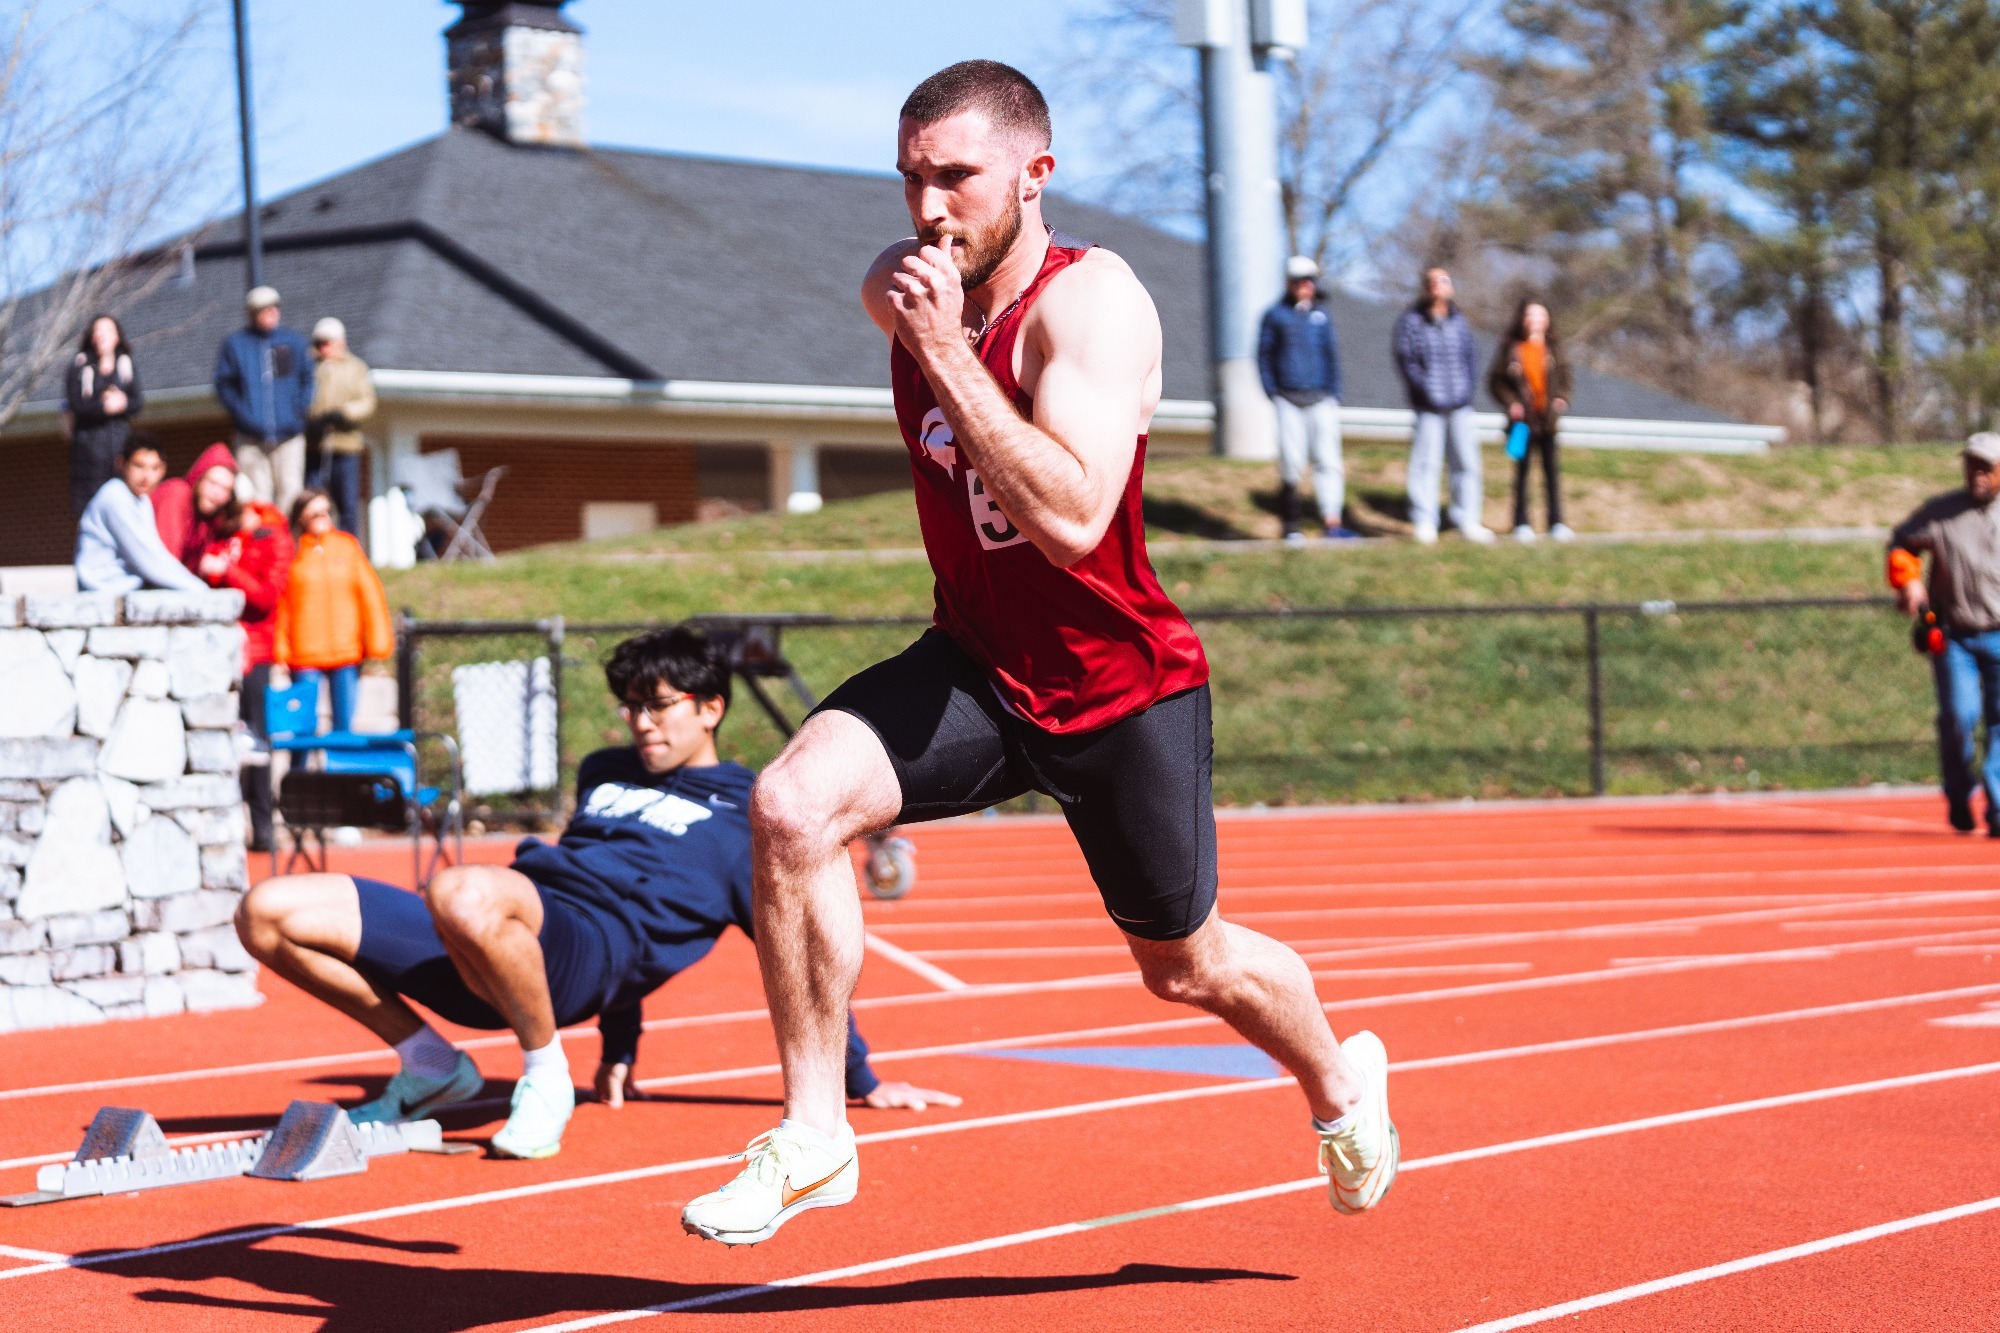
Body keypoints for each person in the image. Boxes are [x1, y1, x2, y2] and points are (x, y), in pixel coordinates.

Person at [680, 61, 1396, 1248]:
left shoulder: (1092, 305)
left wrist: (948, 351)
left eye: (954, 177)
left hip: (1118, 688)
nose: (925, 210)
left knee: (1184, 965)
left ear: (1033, 173)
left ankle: (1339, 1079)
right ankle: (813, 1134)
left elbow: (1069, 521)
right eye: (909, 179)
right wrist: (924, 323)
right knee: (791, 804)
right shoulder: (898, 284)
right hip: (974, 664)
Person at [234, 628, 959, 1160]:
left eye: (658, 705)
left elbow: (795, 954)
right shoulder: (606, 768)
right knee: (267, 911)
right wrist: (621, 1045)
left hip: (577, 952)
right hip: (500, 925)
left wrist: (861, 1077)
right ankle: (433, 1067)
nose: (640, 722)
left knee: (460, 886)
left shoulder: (754, 810)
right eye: (630, 706)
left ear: (709, 708)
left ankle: (544, 1078)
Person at [1887, 432, 2000, 835]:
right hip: (1955, 636)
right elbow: (1901, 544)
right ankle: (1958, 792)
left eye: (1985, 467)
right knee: (1958, 716)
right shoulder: (1941, 513)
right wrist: (1909, 582)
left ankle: (1999, 804)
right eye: (1971, 465)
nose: (1977, 474)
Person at [198, 494, 293, 852]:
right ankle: (226, 827)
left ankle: (263, 828)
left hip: (255, 652)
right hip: (218, 651)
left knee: (257, 742)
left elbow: (267, 596)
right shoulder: (220, 537)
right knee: (225, 741)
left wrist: (227, 572)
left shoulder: (273, 538)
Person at [1258, 256, 1352, 542]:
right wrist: (1273, 391)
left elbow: (1331, 356)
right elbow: (1264, 356)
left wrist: (1334, 392)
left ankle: (1332, 522)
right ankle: (1292, 524)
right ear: (1289, 283)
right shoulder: (1275, 315)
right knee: (1291, 461)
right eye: (1299, 280)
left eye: (1309, 280)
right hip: (1288, 398)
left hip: (1321, 397)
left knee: (1328, 460)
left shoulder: (1322, 316)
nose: (1305, 286)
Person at [1394, 267, 1491, 544]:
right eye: (1431, 281)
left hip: (1460, 404)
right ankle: (1425, 521)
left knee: (1467, 463)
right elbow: (1406, 360)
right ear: (1425, 287)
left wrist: (1465, 390)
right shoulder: (1411, 321)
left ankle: (1467, 519)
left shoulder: (1459, 321)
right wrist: (1424, 392)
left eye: (1443, 280)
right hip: (1428, 407)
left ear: (1451, 287)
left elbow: (1470, 357)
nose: (1437, 285)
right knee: (1426, 464)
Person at [213, 285, 315, 513]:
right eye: (262, 310)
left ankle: (289, 546)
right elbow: (224, 384)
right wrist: (243, 415)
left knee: (291, 494)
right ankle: (261, 546)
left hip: (289, 436)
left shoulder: (293, 342)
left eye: (273, 308)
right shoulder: (236, 344)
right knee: (255, 497)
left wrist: (298, 412)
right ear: (251, 313)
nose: (269, 314)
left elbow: (308, 379)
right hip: (250, 438)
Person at [1487, 299, 1574, 544]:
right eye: (1530, 315)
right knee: (1522, 474)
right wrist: (1511, 402)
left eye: (1540, 315)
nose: (1535, 321)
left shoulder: (1554, 348)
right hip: (1522, 423)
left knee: (1551, 473)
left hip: (1548, 422)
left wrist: (1561, 399)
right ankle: (1521, 523)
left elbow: (1566, 378)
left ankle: (1556, 523)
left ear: (1547, 321)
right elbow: (1495, 381)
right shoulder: (1510, 347)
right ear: (1523, 319)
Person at [74, 436, 209, 593]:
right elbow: (146, 558)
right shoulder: (114, 496)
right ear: (121, 464)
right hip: (101, 591)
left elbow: (155, 551)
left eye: (154, 468)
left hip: (124, 589)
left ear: (163, 469)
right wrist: (200, 590)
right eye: (139, 466)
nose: (146, 476)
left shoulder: (142, 501)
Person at [63, 315, 143, 517]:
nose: (101, 335)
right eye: (96, 330)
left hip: (119, 450)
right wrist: (104, 405)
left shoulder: (125, 365)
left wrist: (123, 403)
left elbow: (136, 402)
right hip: (88, 454)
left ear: (117, 336)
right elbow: (76, 405)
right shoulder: (79, 367)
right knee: (91, 510)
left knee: (121, 507)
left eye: (106, 330)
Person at [306, 318, 376, 537]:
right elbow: (297, 399)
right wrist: (312, 419)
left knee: (347, 503)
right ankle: (313, 547)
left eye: (328, 342)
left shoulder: (355, 368)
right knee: (312, 499)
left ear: (340, 342)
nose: (323, 348)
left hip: (346, 447)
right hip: (315, 446)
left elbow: (367, 402)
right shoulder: (309, 366)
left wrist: (344, 413)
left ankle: (347, 550)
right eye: (319, 343)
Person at [151, 443, 240, 571]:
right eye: (212, 483)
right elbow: (167, 562)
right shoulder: (177, 494)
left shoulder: (210, 522)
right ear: (199, 478)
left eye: (225, 489)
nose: (216, 493)